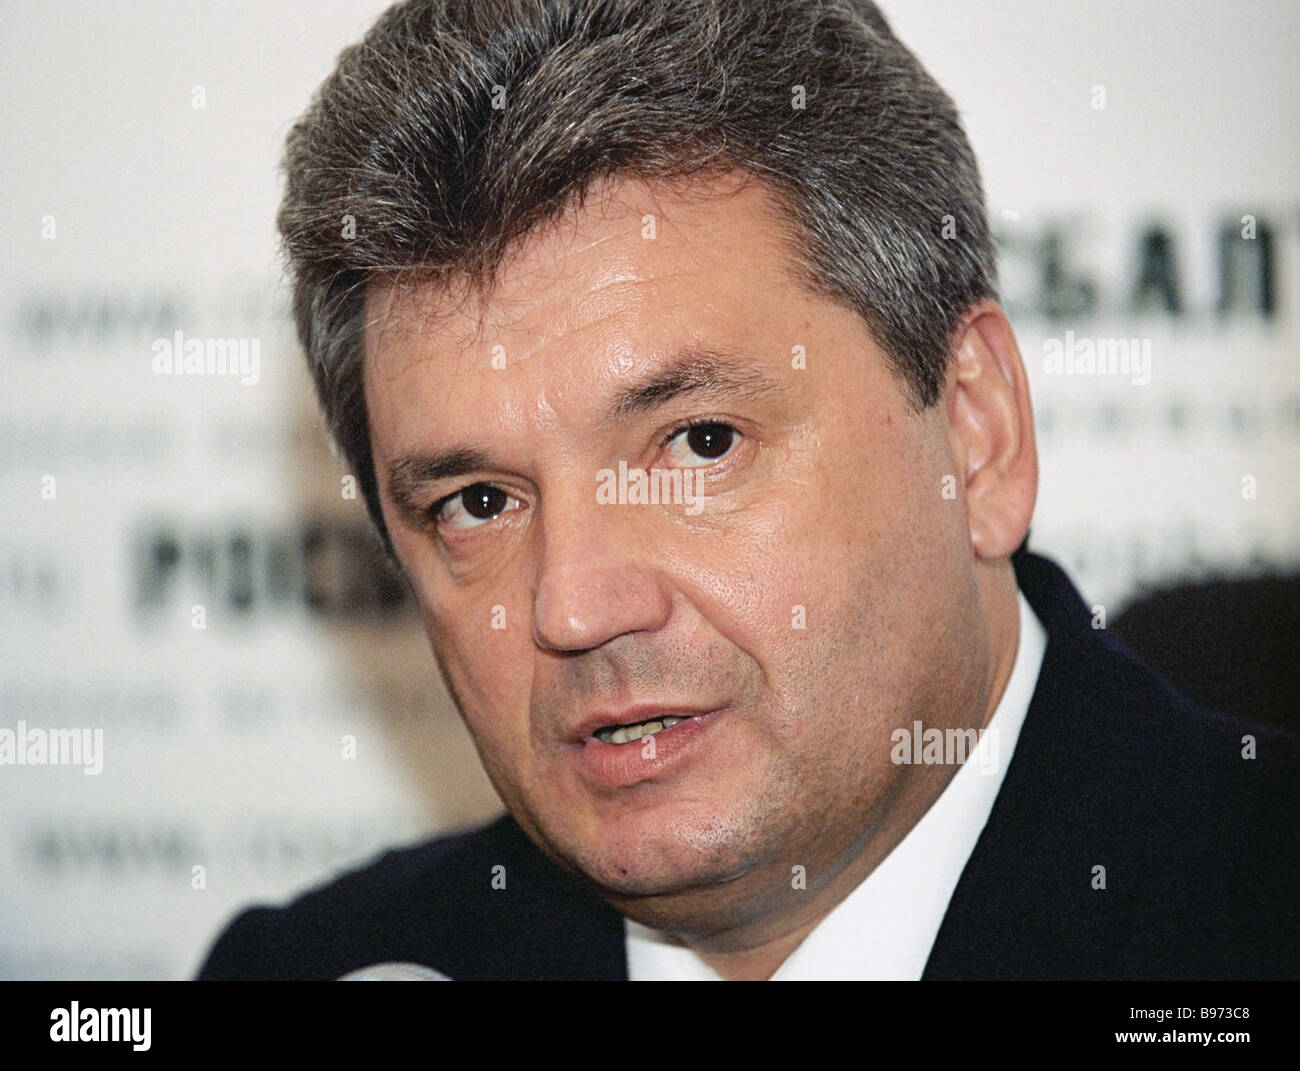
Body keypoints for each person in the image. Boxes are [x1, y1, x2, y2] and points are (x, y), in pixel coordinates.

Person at [197, 0, 1297, 980]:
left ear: (977, 431)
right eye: (479, 502)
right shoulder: (308, 969)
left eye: (700, 442)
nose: (574, 607)